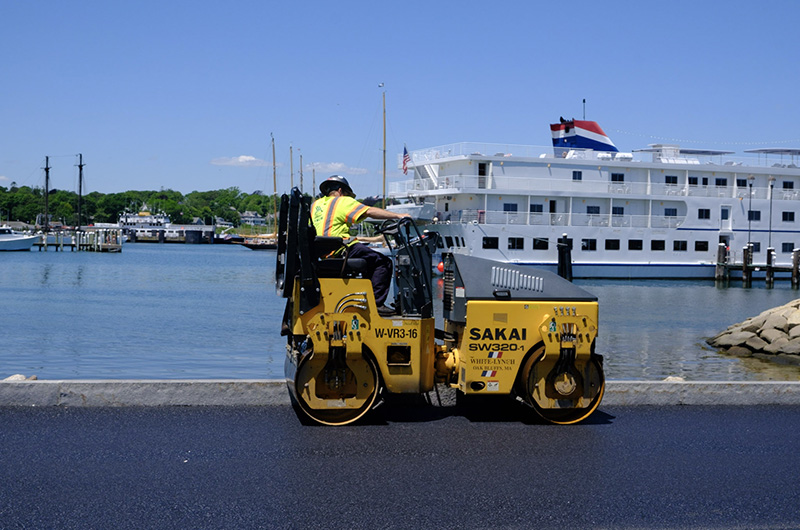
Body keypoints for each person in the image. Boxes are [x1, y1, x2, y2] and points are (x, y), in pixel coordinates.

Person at [311, 175, 410, 314]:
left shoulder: (316, 205)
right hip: (340, 250)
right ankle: (376, 304)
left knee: (367, 257)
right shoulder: (342, 201)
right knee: (383, 263)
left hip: (323, 254)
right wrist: (398, 216)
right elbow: (369, 211)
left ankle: (361, 298)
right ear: (340, 190)